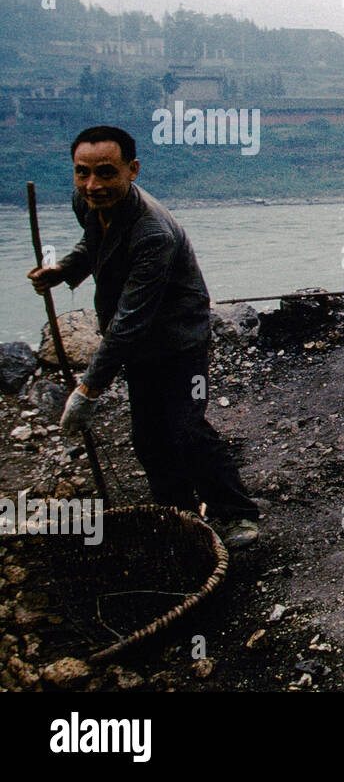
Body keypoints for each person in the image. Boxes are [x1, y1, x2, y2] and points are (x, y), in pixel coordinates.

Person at [27, 125, 261, 549]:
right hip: (138, 342)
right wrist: (64, 271)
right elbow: (94, 244)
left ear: (131, 170)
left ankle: (236, 513)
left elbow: (129, 322)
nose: (92, 185)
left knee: (186, 429)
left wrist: (88, 390)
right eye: (82, 173)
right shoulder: (88, 201)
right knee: (148, 437)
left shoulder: (153, 231)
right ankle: (178, 515)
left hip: (179, 338)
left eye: (105, 173)